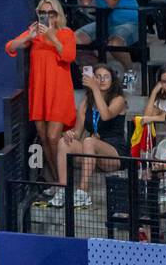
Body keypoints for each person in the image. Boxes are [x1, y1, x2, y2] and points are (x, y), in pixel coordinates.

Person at [5, 0, 76, 186]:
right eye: (42, 13)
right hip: (39, 91)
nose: (46, 17)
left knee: (54, 136)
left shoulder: (65, 33)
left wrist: (52, 37)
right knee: (44, 137)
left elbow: (69, 55)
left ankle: (64, 183)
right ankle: (56, 181)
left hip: (58, 91)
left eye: (51, 13)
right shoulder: (34, 34)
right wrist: (28, 36)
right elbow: (10, 47)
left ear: (58, 14)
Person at [51, 65, 128, 208]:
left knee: (89, 142)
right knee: (64, 142)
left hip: (114, 153)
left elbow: (105, 115)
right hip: (91, 151)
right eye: (98, 77)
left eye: (106, 77)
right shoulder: (87, 100)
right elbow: (77, 132)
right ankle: (63, 190)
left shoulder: (119, 100)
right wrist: (69, 134)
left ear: (113, 80)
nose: (102, 80)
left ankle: (83, 192)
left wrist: (95, 89)